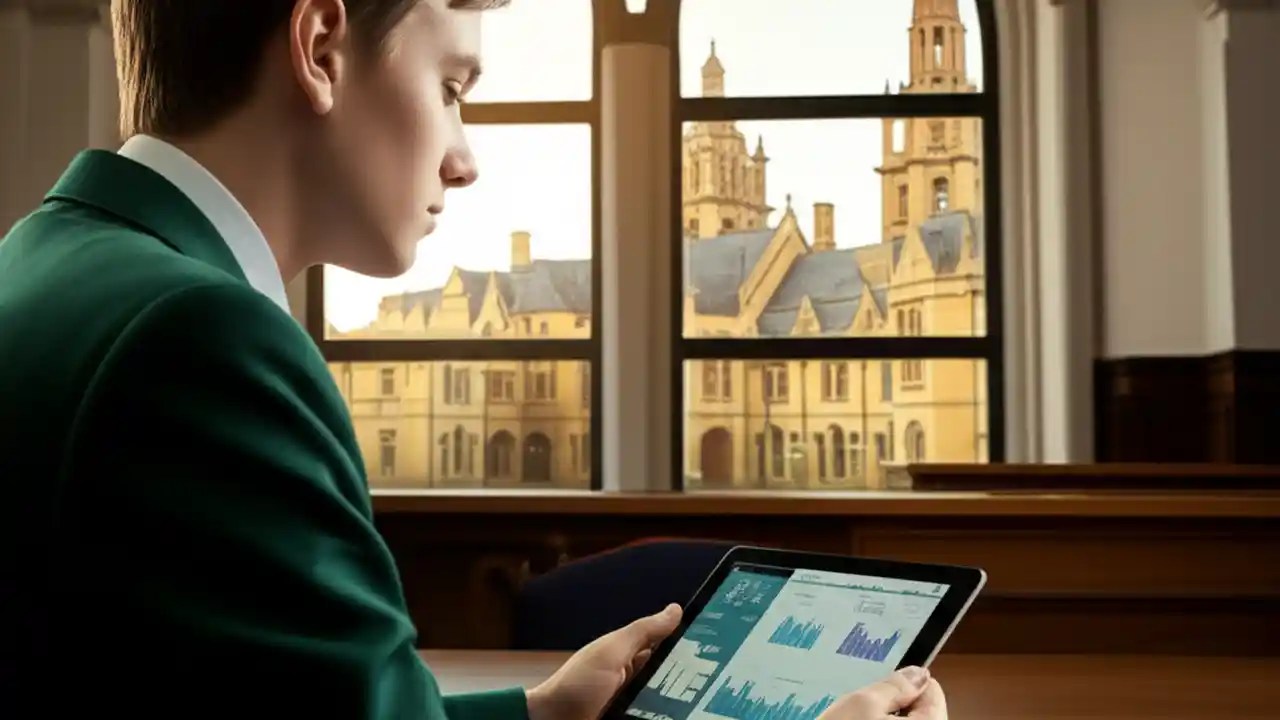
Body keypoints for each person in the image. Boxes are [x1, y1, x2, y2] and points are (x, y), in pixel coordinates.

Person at [0, 1, 947, 718]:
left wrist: (537, 714)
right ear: (322, 48)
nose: (465, 158)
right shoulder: (205, 339)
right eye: (451, 88)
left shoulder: (47, 263)